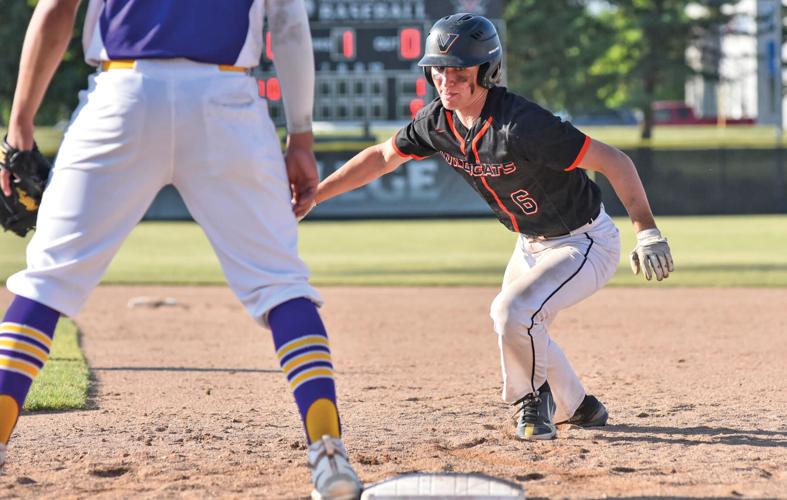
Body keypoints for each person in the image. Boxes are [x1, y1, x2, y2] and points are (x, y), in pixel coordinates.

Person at [0, 0, 362, 498]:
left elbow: (58, 8)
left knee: (47, 280)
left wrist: (20, 123)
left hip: (123, 95)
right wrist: (300, 135)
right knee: (280, 283)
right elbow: (290, 27)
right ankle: (328, 453)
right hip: (225, 101)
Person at [307, 13, 674, 441]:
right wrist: (315, 195)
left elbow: (615, 161)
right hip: (529, 243)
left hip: (584, 242)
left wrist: (646, 230)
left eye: (460, 69)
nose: (447, 79)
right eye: (439, 69)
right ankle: (580, 406)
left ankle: (531, 402)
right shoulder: (438, 122)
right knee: (518, 323)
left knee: (512, 312)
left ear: (487, 71)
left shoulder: (522, 125)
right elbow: (384, 156)